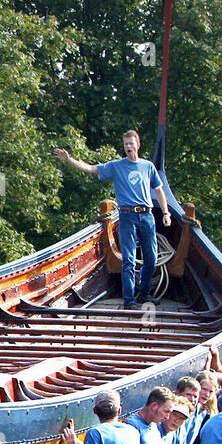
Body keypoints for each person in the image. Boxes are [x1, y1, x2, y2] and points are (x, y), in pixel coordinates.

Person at [53, 131, 172, 310]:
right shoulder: (116, 166)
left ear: (138, 144)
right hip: (127, 216)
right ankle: (129, 300)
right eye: (126, 144)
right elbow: (92, 169)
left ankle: (143, 293)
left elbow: (159, 190)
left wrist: (165, 213)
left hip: (147, 216)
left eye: (131, 143)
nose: (129, 147)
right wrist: (69, 160)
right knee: (129, 260)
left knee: (151, 258)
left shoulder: (147, 166)